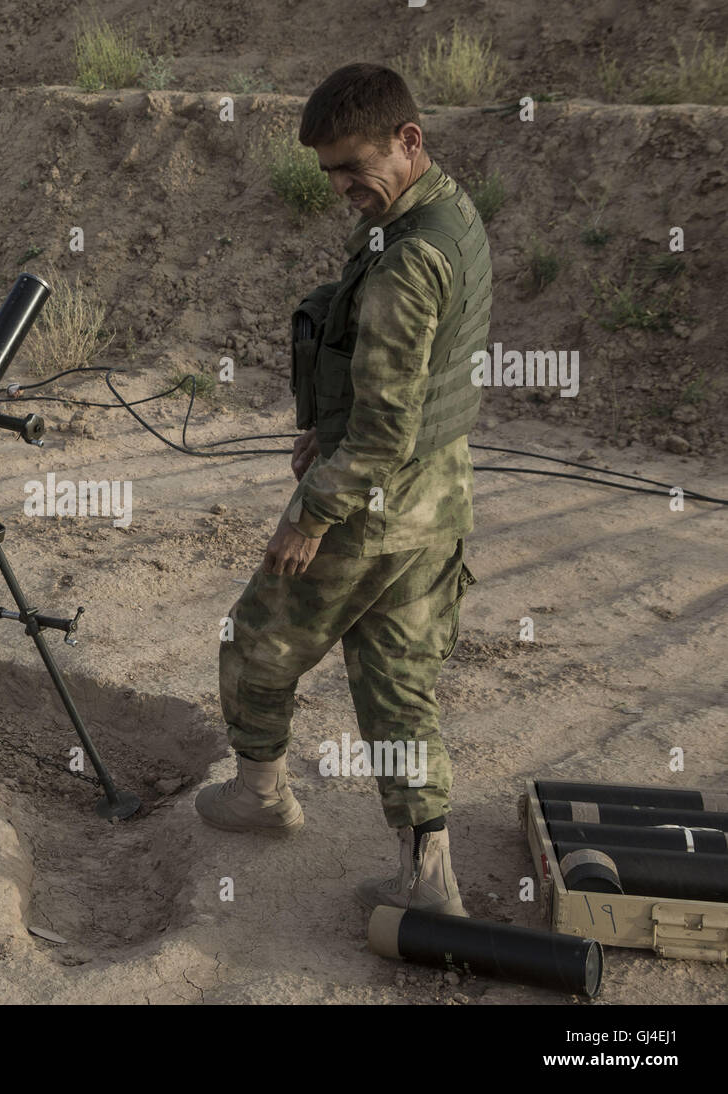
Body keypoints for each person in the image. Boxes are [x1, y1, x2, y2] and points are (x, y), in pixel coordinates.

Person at [195, 63, 490, 917]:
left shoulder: (405, 262)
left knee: (253, 641)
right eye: (327, 171)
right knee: (398, 682)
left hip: (370, 506)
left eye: (353, 166)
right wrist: (326, 420)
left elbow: (386, 429)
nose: (340, 187)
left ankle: (259, 796)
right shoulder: (450, 214)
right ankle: (428, 879)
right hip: (438, 502)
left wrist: (313, 515)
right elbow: (409, 383)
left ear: (409, 140)